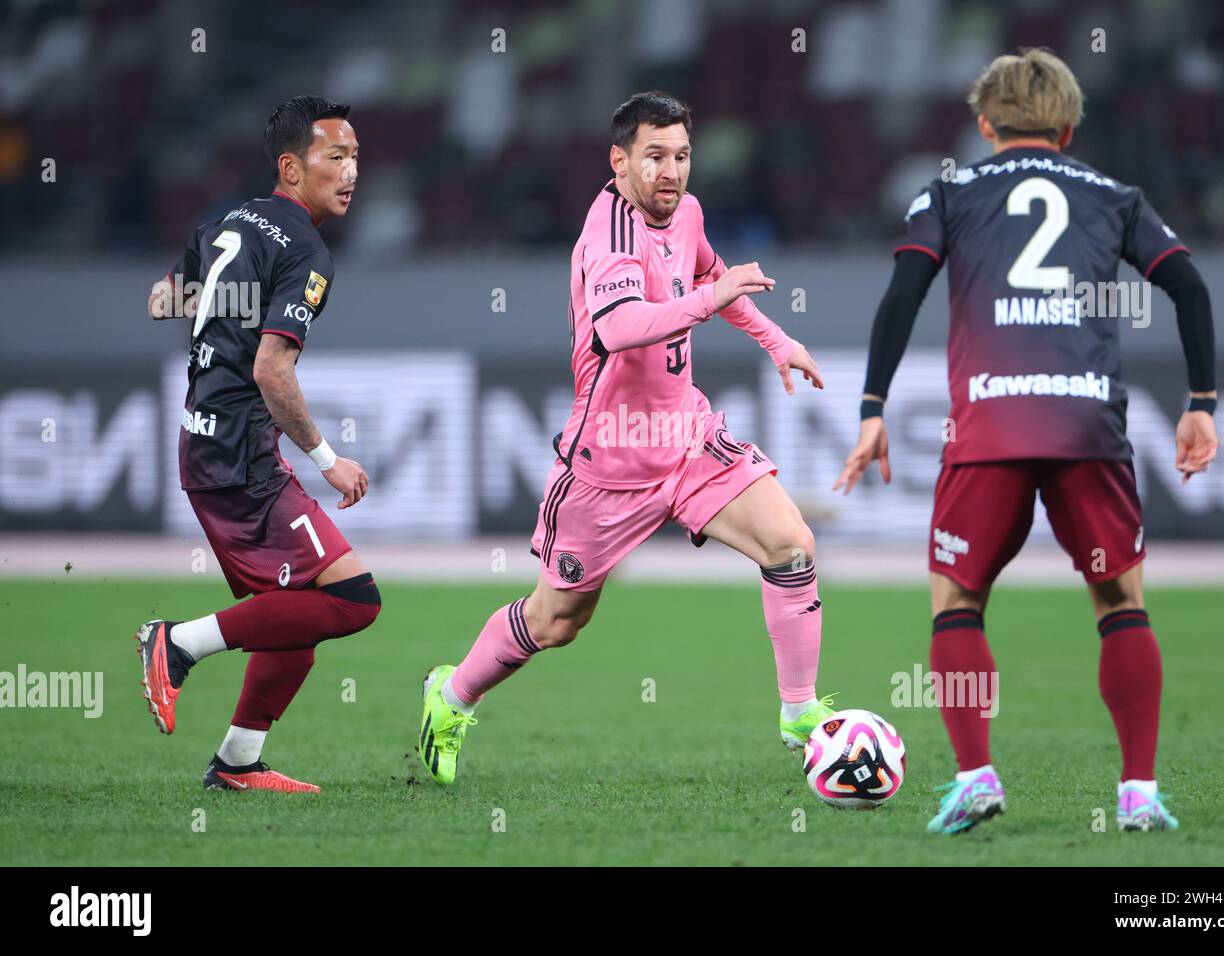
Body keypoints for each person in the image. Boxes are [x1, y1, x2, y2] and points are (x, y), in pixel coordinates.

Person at [835, 49, 1218, 833]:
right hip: (1087, 424)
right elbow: (1188, 283)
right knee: (1119, 600)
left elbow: (903, 291)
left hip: (990, 425)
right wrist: (1202, 402)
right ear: (1069, 130)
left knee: (958, 600)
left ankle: (976, 775)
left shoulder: (948, 191)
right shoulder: (1115, 195)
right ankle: (1138, 794)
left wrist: (872, 405)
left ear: (983, 125)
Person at [417, 91, 829, 785]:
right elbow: (620, 326)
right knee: (556, 622)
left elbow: (712, 277)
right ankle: (451, 697)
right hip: (608, 458)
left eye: (682, 156)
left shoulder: (688, 213)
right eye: (655, 157)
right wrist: (712, 299)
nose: (671, 172)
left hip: (685, 436)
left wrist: (776, 339)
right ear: (620, 160)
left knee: (791, 545)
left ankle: (799, 711)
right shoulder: (609, 229)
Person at [138, 95, 380, 793]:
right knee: (355, 600)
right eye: (335, 156)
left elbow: (164, 301)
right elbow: (272, 368)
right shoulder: (305, 248)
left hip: (201, 445)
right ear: (292, 167)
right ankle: (177, 643)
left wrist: (220, 309)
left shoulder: (222, 221)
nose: (351, 170)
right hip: (243, 455)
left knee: (292, 619)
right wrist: (330, 463)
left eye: (356, 156)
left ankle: (237, 763)